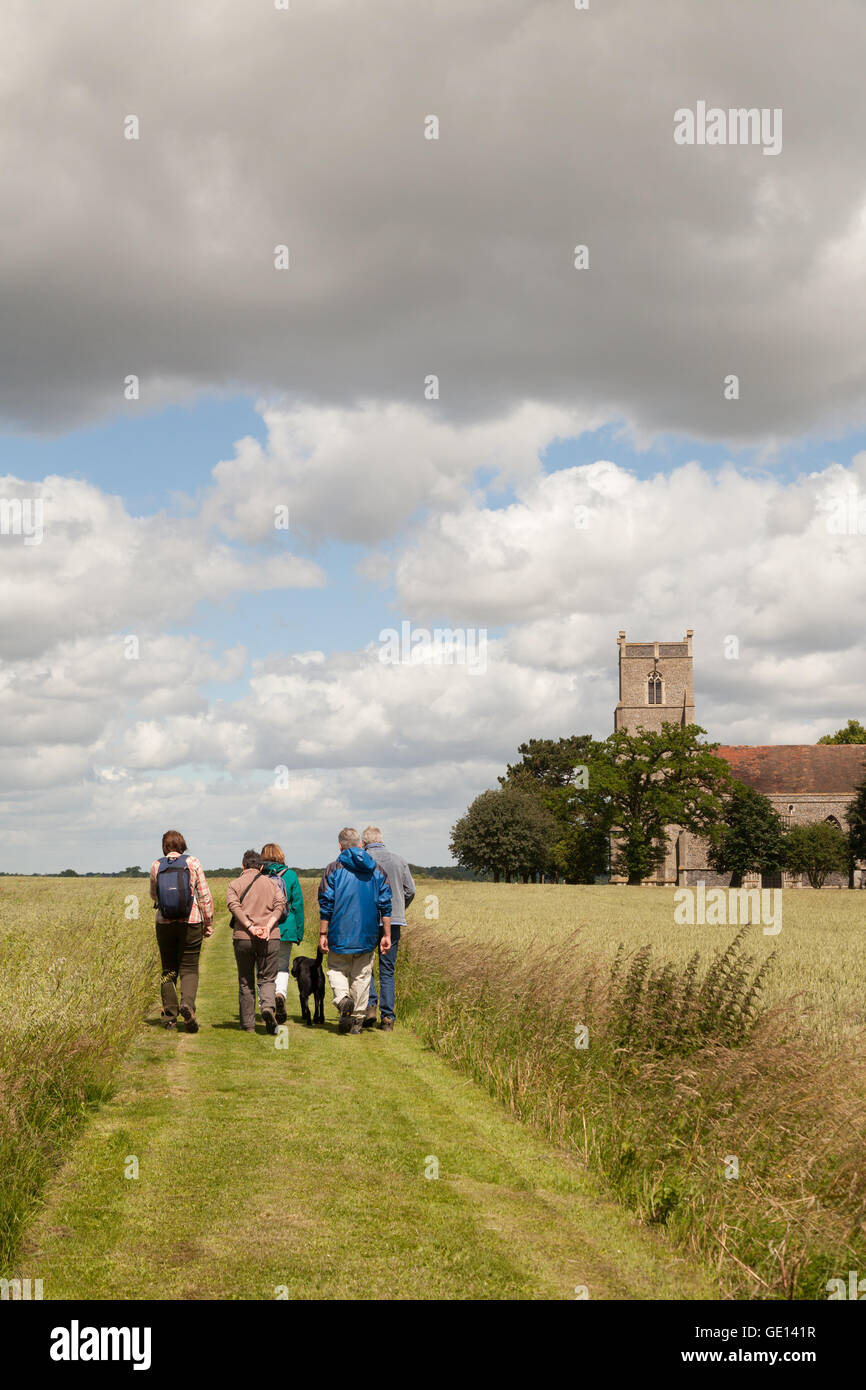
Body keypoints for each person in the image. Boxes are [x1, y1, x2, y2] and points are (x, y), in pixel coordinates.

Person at [318, 828, 392, 1035]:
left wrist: (323, 934)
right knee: (362, 975)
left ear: (340, 846)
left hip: (338, 931)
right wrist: (386, 934)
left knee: (336, 968)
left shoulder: (332, 869)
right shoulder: (377, 870)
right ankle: (357, 1021)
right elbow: (386, 905)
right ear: (360, 844)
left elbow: (326, 905)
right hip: (368, 933)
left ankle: (342, 999)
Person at [149, 829, 214, 1033]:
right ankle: (187, 1005)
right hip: (191, 921)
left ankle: (170, 1016)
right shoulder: (193, 862)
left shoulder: (156, 865)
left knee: (168, 970)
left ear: (164, 847)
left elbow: (154, 895)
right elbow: (204, 895)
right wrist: (208, 922)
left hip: (165, 922)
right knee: (189, 968)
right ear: (182, 845)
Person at [361, 826, 415, 1032]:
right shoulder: (399, 860)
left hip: (368, 920)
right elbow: (410, 890)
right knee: (388, 969)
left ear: (365, 843)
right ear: (381, 840)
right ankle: (388, 1018)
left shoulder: (363, 860)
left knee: (366, 966)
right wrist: (399, 909)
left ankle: (370, 1005)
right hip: (394, 922)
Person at [227, 850, 287, 1034]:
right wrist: (268, 926)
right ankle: (268, 1007)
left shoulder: (234, 884)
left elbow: (233, 905)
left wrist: (249, 926)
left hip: (243, 938)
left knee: (246, 981)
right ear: (261, 867)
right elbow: (281, 904)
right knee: (267, 978)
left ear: (243, 866)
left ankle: (248, 1024)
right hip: (270, 937)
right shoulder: (271, 883)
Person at [260, 842, 305, 1024]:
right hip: (285, 928)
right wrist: (299, 931)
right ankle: (280, 994)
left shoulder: (259, 875)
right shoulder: (291, 875)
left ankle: (267, 1005)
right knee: (282, 967)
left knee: (263, 968)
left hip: (263, 927)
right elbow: (298, 906)